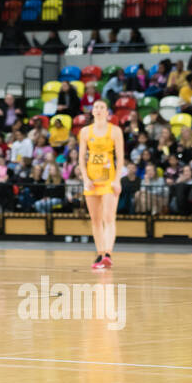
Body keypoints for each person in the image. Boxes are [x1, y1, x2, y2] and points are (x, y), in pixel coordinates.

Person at [79, 99, 124, 269]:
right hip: (92, 178)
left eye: (102, 107)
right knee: (96, 220)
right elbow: (81, 158)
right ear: (92, 112)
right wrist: (85, 178)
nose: (98, 110)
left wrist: (117, 179)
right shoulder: (85, 132)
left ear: (107, 113)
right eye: (96, 107)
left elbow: (120, 158)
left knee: (108, 217)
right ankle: (99, 254)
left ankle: (108, 253)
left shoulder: (115, 131)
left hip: (108, 178)